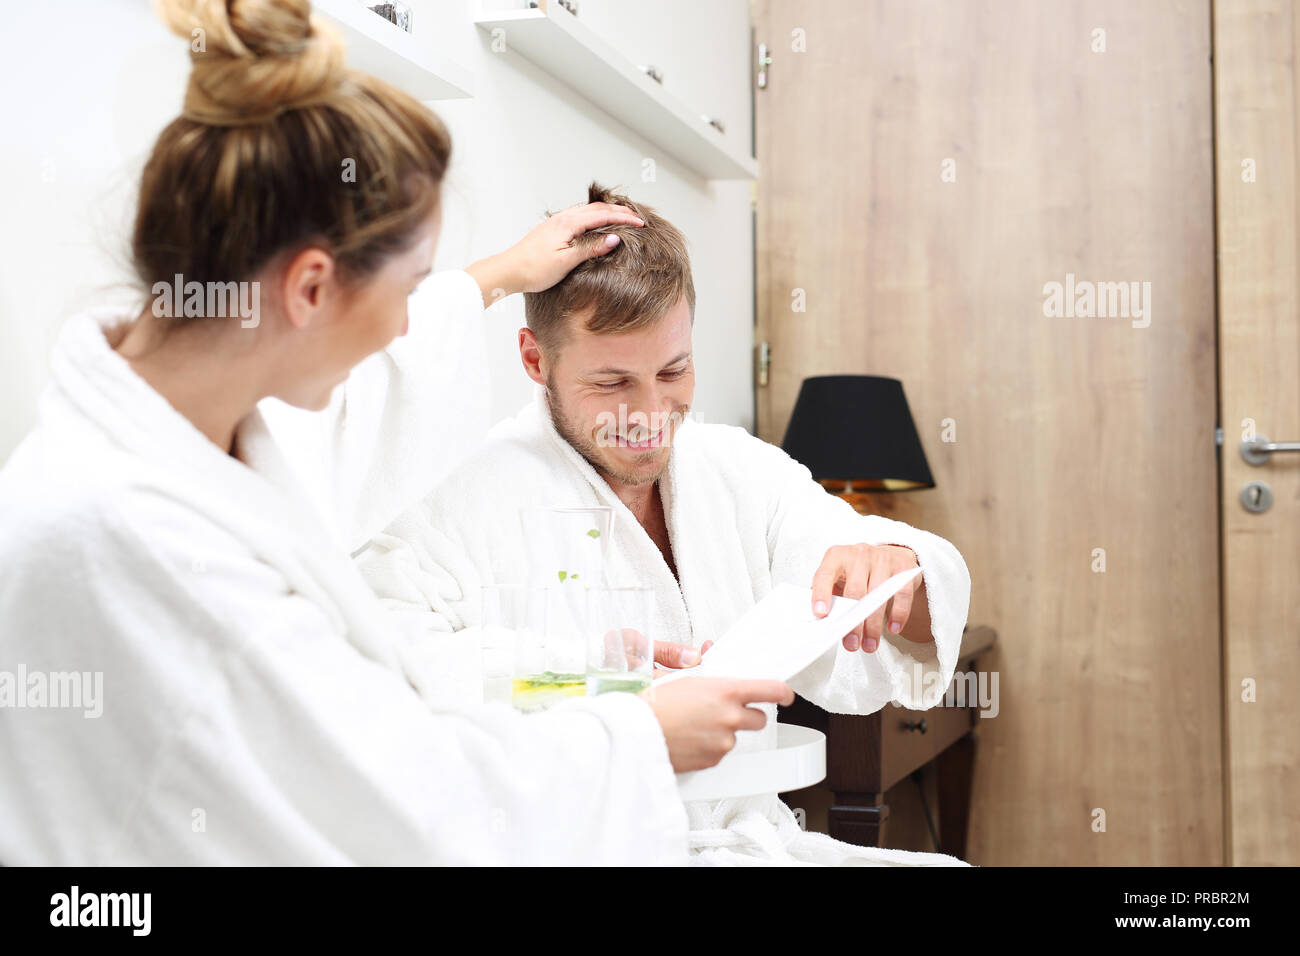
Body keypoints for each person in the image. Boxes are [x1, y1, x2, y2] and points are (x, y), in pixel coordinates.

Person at [0, 0, 793, 866]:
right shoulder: (134, 539)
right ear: (308, 291)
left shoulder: (191, 427)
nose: (405, 331)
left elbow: (376, 402)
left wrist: (501, 275)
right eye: (411, 287)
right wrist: (639, 737)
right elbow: (403, 813)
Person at [357, 184, 974, 866]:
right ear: (536, 359)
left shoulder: (735, 468)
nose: (649, 414)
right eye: (612, 383)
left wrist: (893, 563)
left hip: (753, 844)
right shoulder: (456, 496)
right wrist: (597, 683)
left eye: (673, 370)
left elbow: (879, 589)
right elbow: (391, 681)